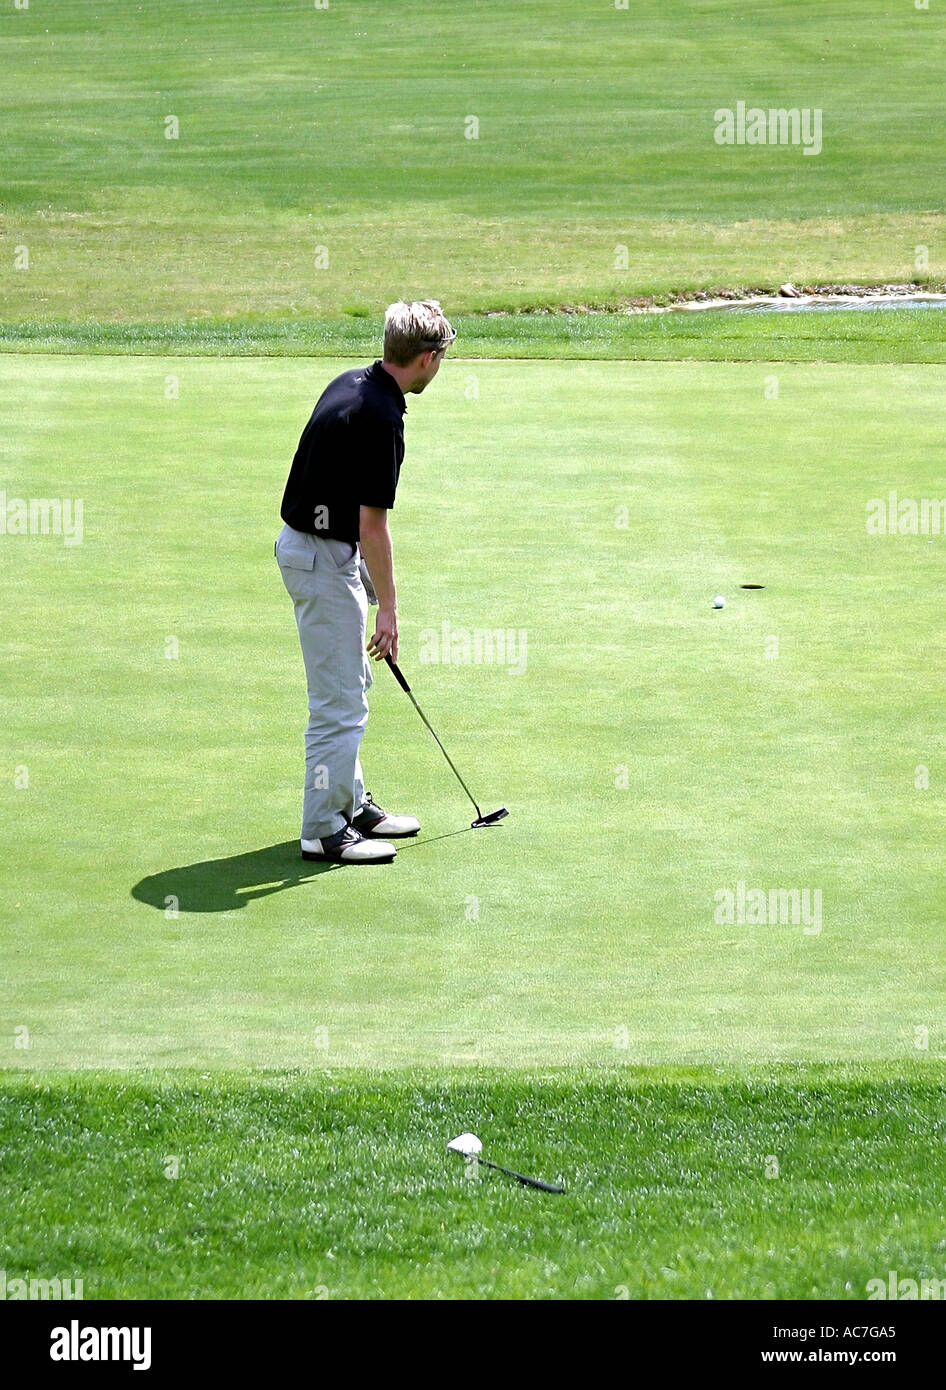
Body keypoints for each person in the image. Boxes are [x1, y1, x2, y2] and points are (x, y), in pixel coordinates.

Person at [275, 300, 456, 864]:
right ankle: (323, 830)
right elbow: (374, 523)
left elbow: (344, 501)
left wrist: (365, 584)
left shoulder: (356, 383)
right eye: (441, 358)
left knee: (349, 688)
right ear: (426, 358)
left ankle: (350, 803)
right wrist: (389, 610)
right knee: (340, 703)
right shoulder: (382, 416)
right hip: (319, 556)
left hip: (323, 549)